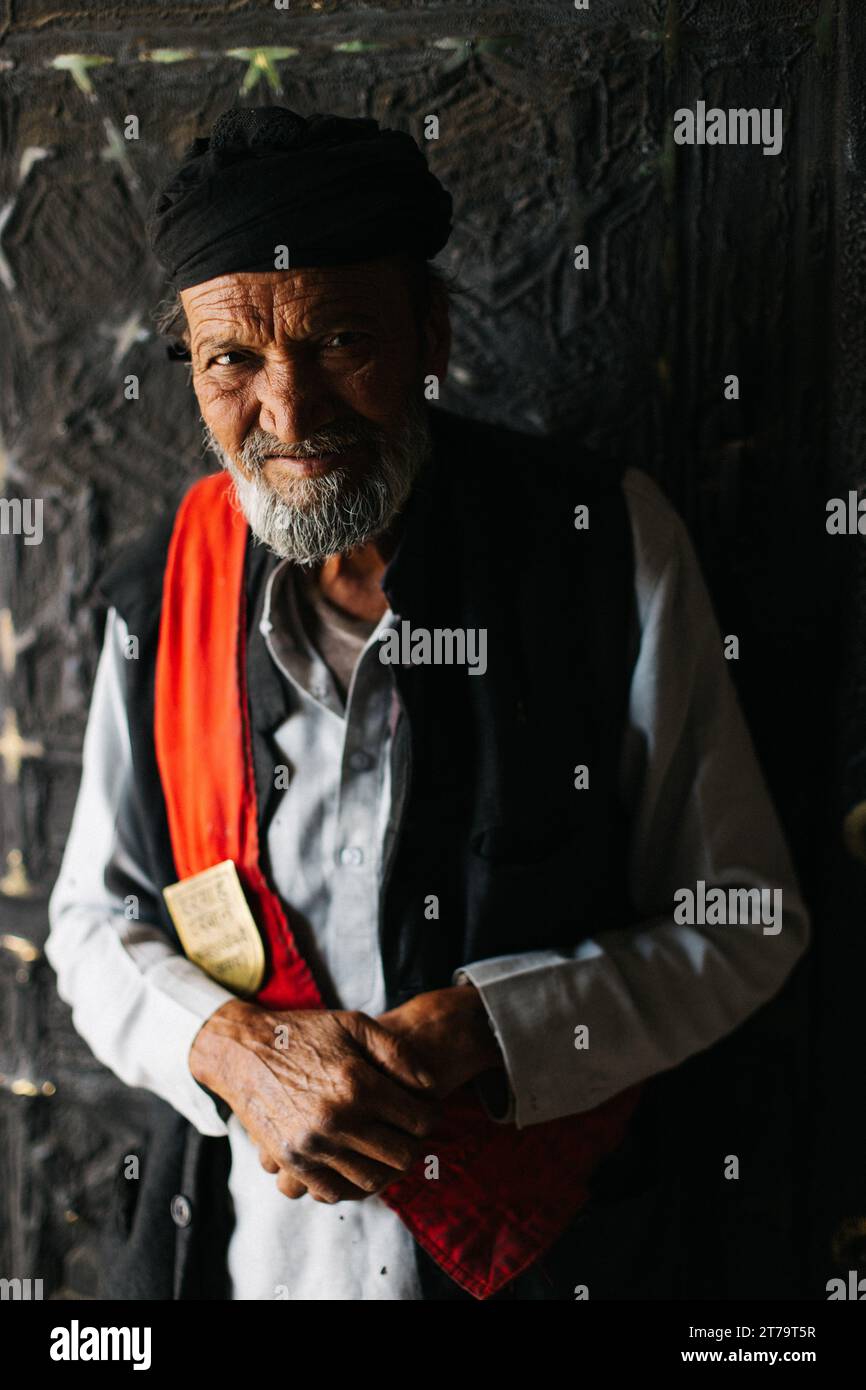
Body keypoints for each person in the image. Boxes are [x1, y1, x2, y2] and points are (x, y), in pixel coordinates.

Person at [46, 105, 810, 1302]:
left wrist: (487, 1029)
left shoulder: (602, 544)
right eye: (232, 359)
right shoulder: (160, 583)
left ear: (430, 331)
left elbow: (745, 919)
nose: (287, 416)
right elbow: (94, 925)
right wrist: (229, 1047)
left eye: (340, 338)